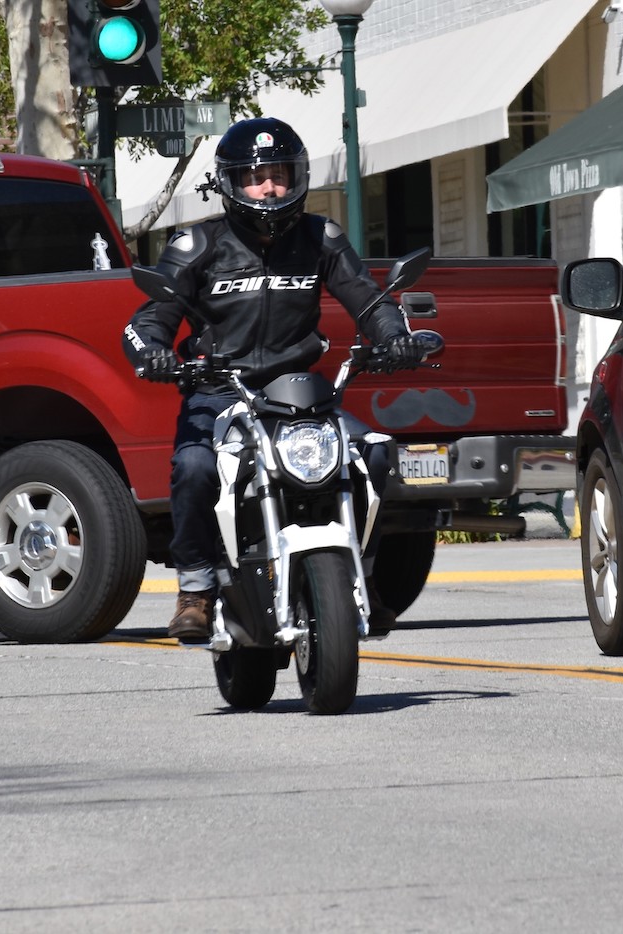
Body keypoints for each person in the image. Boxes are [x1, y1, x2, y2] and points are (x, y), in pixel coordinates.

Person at [123, 116, 425, 643]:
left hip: (297, 396)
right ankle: (195, 589)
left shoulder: (320, 237)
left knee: (374, 452)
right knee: (194, 467)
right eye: (255, 177)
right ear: (231, 184)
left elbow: (370, 300)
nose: (269, 187)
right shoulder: (198, 245)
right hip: (221, 392)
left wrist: (396, 336)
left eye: (280, 174)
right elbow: (150, 320)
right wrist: (152, 352)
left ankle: (364, 576)